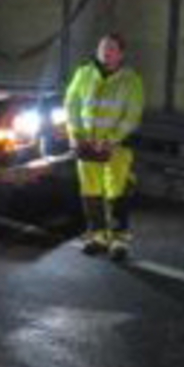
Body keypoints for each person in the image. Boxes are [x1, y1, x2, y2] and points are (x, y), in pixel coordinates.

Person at [64, 33, 145, 260]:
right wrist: (75, 135)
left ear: (121, 53)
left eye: (111, 48)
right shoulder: (84, 73)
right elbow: (71, 105)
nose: (105, 52)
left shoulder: (131, 80)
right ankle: (98, 237)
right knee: (90, 191)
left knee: (117, 192)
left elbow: (132, 115)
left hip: (117, 148)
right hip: (87, 144)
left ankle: (119, 240)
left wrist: (111, 139)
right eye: (102, 48)